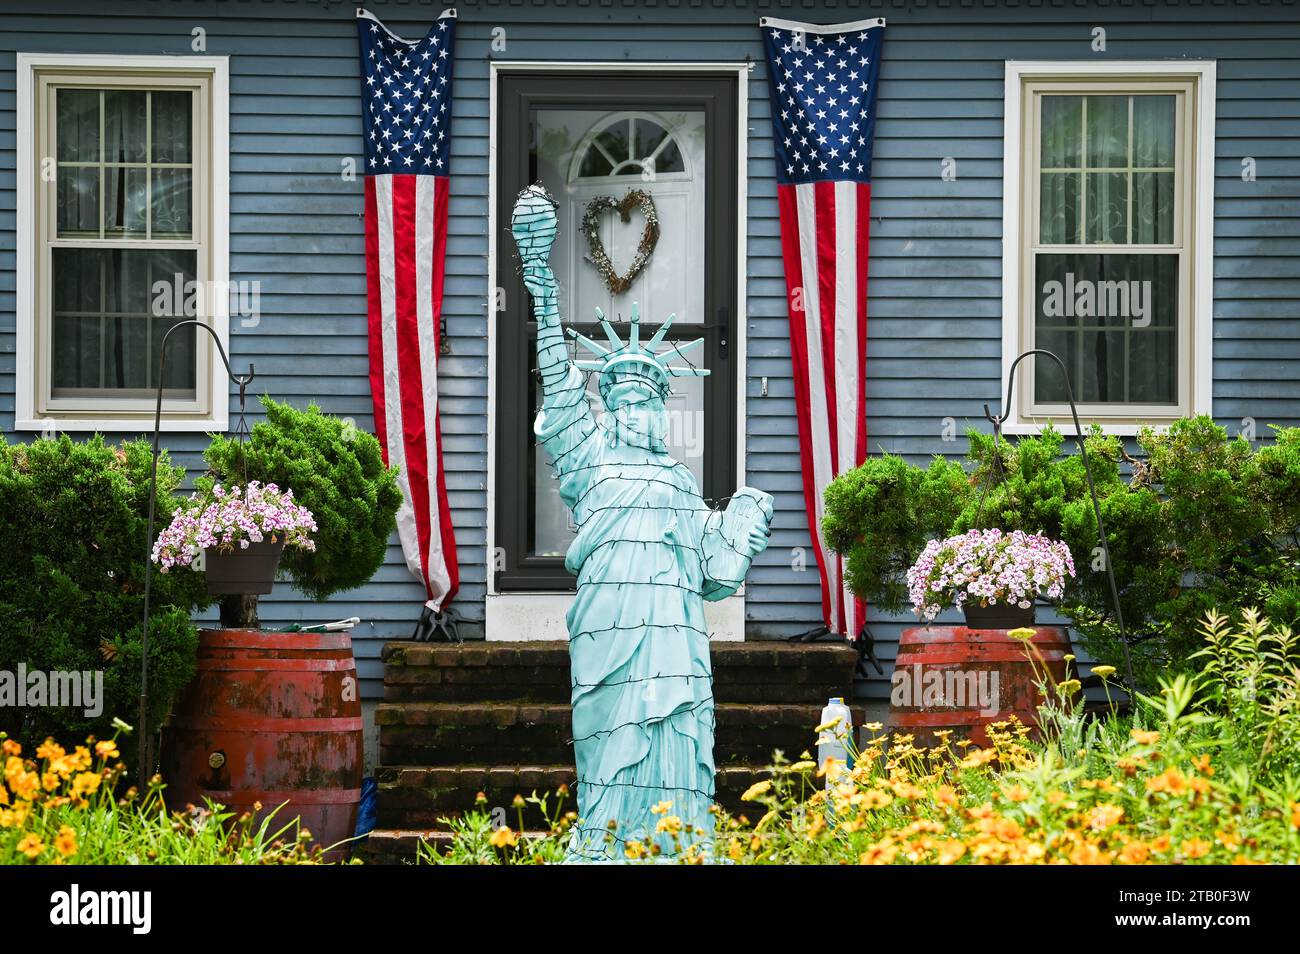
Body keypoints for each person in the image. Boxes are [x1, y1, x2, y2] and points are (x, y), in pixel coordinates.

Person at [511, 184, 773, 861]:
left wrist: (743, 520)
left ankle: (677, 842)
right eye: (621, 401)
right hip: (610, 631)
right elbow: (560, 383)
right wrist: (540, 281)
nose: (633, 412)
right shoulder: (588, 460)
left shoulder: (682, 484)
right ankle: (603, 843)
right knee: (609, 742)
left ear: (660, 412)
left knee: (677, 732)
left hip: (674, 639)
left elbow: (716, 574)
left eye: (645, 402)